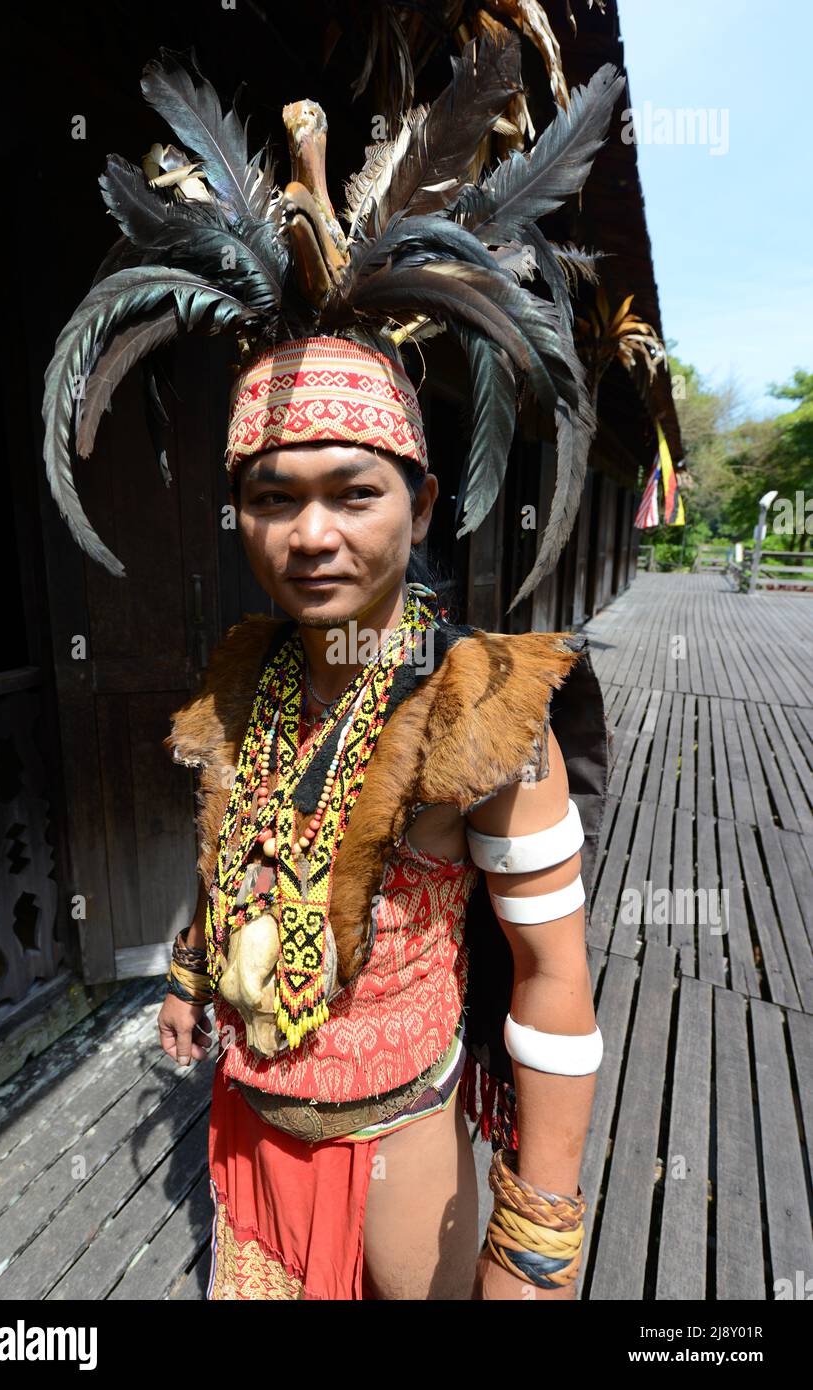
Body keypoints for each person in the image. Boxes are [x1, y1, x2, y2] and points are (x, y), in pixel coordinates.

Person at [41, 40, 618, 1300]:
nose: (312, 535)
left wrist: (537, 1240)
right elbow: (241, 839)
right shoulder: (246, 671)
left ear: (418, 500)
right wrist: (198, 968)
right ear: (237, 515)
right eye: (272, 497)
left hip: (395, 1156)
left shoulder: (481, 704)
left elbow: (555, 973)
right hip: (246, 1124)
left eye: (353, 493)